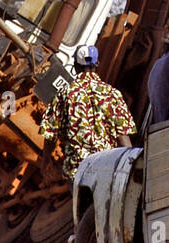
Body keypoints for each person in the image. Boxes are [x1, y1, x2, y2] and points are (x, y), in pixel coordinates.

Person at [41, 45, 136, 182]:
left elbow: (50, 132)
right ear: (97, 64)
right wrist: (130, 165)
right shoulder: (112, 94)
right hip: (106, 168)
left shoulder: (65, 94)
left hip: (77, 172)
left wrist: (46, 158)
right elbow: (123, 136)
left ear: (75, 65)